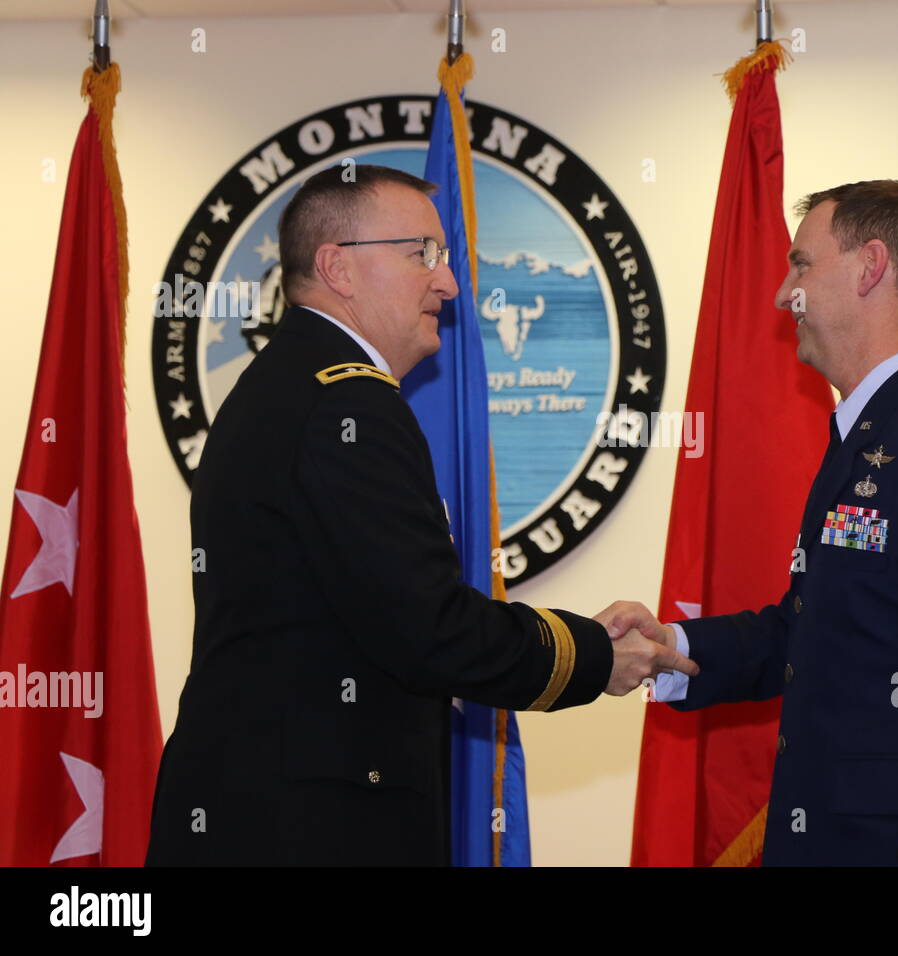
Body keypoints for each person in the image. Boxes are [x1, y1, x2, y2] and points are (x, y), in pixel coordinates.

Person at [146, 165, 694, 866]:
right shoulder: (346, 403)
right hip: (313, 829)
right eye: (423, 254)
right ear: (338, 268)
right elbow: (431, 629)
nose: (449, 283)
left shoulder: (291, 383)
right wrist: (594, 654)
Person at [603, 181, 898, 866]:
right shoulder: (868, 435)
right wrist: (673, 647)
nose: (782, 293)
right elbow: (810, 633)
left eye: (801, 265)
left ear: (869, 267)